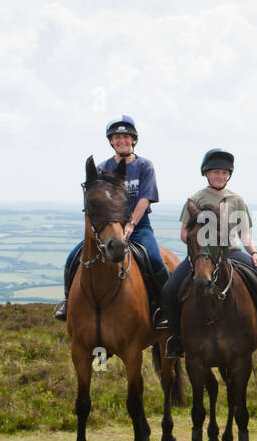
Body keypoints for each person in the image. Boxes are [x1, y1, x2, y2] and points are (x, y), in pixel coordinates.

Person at [163, 148, 257, 357]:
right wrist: (199, 247)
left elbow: (244, 233)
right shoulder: (195, 200)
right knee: (170, 287)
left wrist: (254, 253)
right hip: (200, 255)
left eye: (224, 173)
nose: (220, 176)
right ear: (206, 173)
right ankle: (176, 338)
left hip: (230, 252)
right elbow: (184, 233)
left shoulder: (236, 200)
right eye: (216, 172)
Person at [54, 116, 170, 328]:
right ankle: (68, 302)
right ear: (111, 141)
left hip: (139, 226)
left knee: (155, 260)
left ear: (133, 139)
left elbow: (145, 198)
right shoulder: (101, 168)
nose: (121, 141)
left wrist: (131, 224)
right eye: (117, 137)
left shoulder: (144, 166)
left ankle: (161, 309)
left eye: (126, 137)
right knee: (73, 259)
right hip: (107, 228)